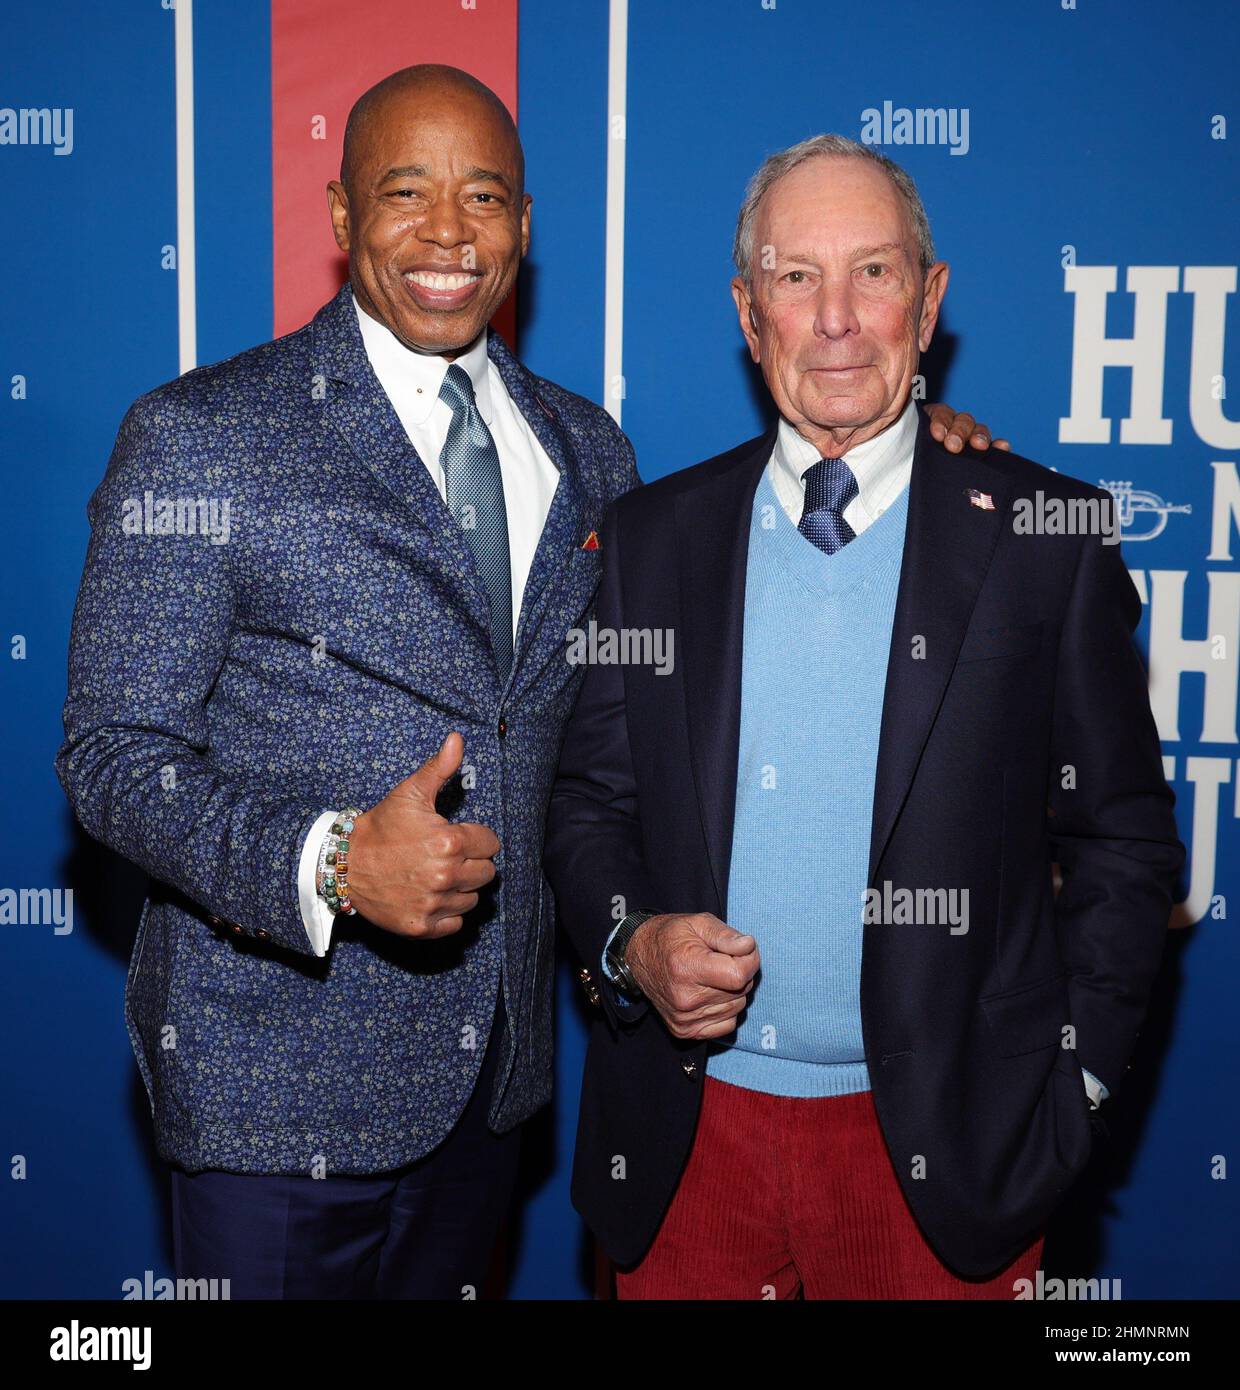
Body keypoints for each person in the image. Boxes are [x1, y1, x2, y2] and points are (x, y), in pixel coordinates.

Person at [56, 68, 998, 1299]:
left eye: (483, 196)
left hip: (493, 1089)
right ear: (340, 220)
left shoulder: (589, 449)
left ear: (525, 224)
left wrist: (911, 442)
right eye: (406, 192)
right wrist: (332, 859)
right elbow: (111, 754)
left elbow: (628, 720)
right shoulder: (200, 436)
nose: (449, 232)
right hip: (269, 1100)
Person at [544, 134, 1184, 1299]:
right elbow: (590, 801)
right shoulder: (654, 538)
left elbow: (1124, 846)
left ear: (928, 301)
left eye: (874, 272)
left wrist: (1072, 1094)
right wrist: (633, 943)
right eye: (795, 277)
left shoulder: (1047, 540)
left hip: (950, 1163)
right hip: (691, 1147)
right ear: (750, 314)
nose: (835, 317)